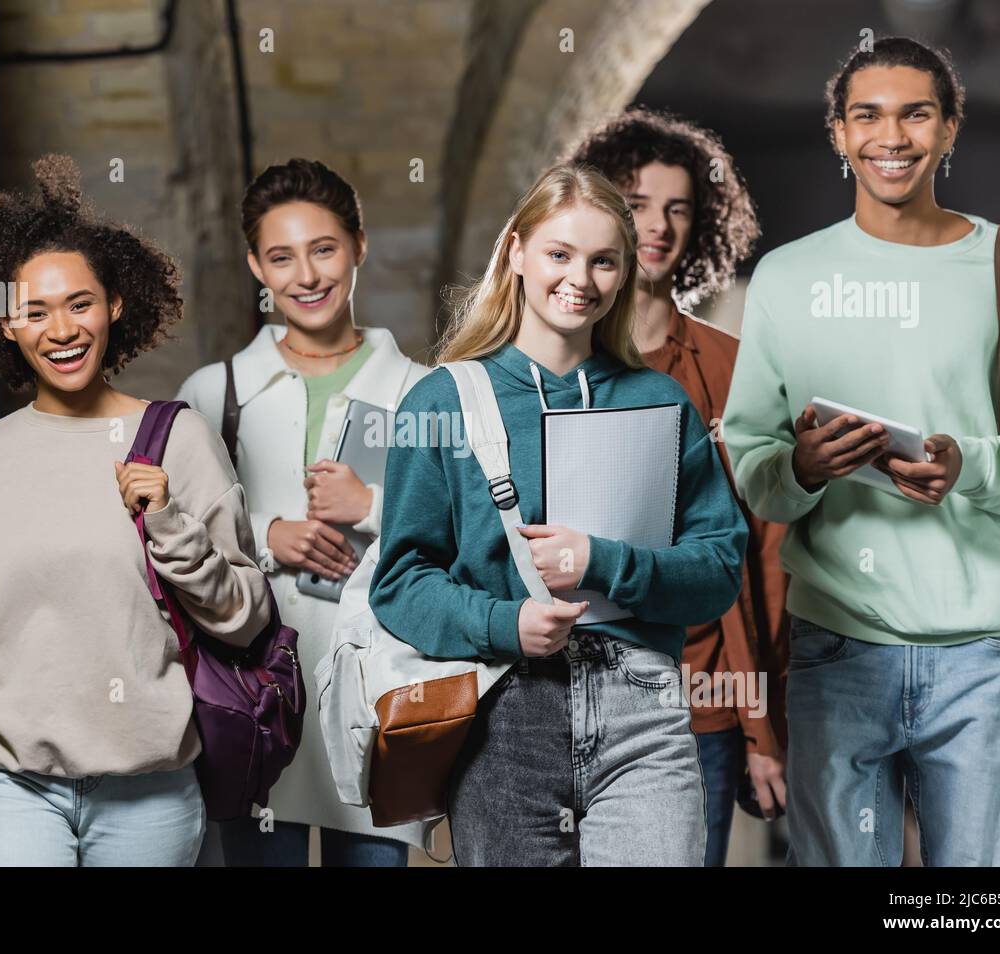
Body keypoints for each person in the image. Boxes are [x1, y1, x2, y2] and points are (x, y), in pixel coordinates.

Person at [723, 37, 1000, 866]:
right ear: (838, 135)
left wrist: (966, 467)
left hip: (981, 653)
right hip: (833, 648)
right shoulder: (786, 277)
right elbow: (753, 468)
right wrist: (803, 468)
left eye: (917, 113)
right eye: (867, 115)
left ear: (949, 129)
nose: (892, 135)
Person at [0, 155, 271, 867]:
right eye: (34, 311)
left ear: (115, 305)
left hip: (152, 792)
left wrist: (172, 529)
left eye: (79, 303)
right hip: (10, 788)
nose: (61, 329)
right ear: (6, 325)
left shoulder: (178, 439)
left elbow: (248, 614)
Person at [368, 163, 748, 866]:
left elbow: (720, 567)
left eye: (605, 260)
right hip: (503, 709)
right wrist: (501, 621)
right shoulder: (443, 400)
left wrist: (604, 561)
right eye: (560, 253)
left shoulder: (660, 401)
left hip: (644, 708)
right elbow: (400, 581)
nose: (583, 278)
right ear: (515, 253)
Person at [177, 158, 429, 866]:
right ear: (257, 266)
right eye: (282, 257)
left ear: (359, 245)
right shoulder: (212, 393)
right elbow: (167, 543)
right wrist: (265, 538)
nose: (307, 276)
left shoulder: (423, 390)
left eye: (324, 249)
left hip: (378, 701)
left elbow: (467, 539)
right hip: (252, 706)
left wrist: (372, 505)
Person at [572, 107, 788, 864]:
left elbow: (766, 554)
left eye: (677, 208)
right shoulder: (554, 361)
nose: (657, 226)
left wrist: (765, 730)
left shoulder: (733, 366)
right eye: (636, 205)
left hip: (702, 706)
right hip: (568, 695)